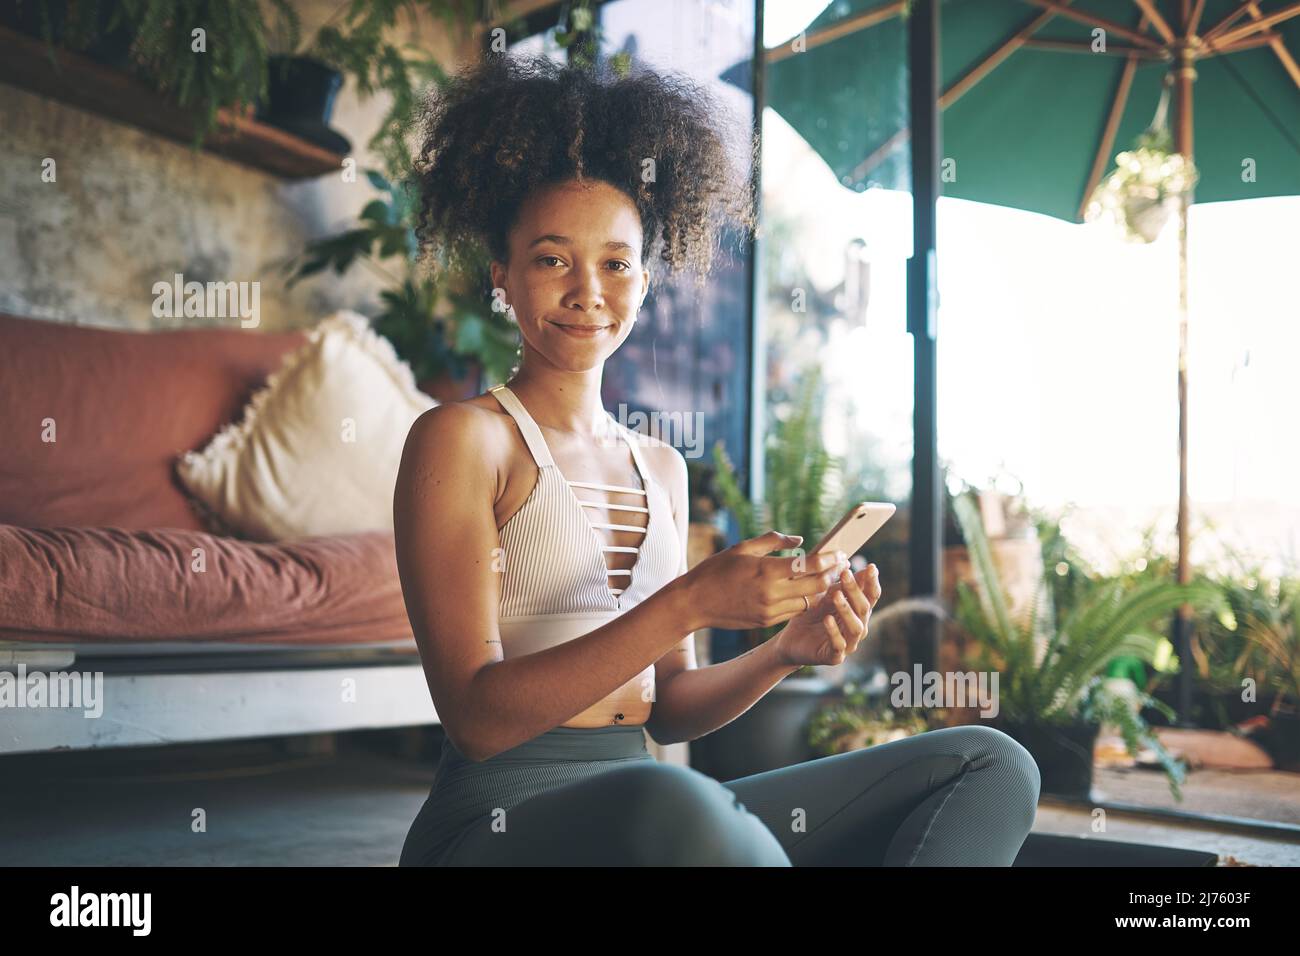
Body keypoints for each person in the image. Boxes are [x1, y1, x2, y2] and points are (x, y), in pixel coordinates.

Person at [393, 52, 1040, 866]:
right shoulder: (462, 440)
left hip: (650, 807)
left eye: (616, 262)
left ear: (646, 280)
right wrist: (693, 599)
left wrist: (783, 653)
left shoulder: (660, 468)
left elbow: (666, 709)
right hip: (496, 822)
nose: (587, 289)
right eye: (553, 258)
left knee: (988, 763)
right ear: (503, 276)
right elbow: (476, 719)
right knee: (682, 802)